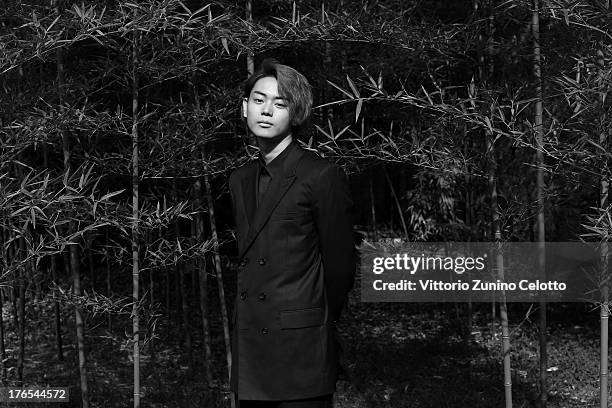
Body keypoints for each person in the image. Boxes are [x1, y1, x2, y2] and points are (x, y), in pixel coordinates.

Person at [228, 59, 356, 408]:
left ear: (295, 114)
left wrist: (311, 319)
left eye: (280, 103)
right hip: (251, 350)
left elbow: (340, 267)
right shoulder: (239, 179)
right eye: (258, 100)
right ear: (244, 107)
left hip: (300, 351)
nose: (266, 110)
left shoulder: (320, 176)